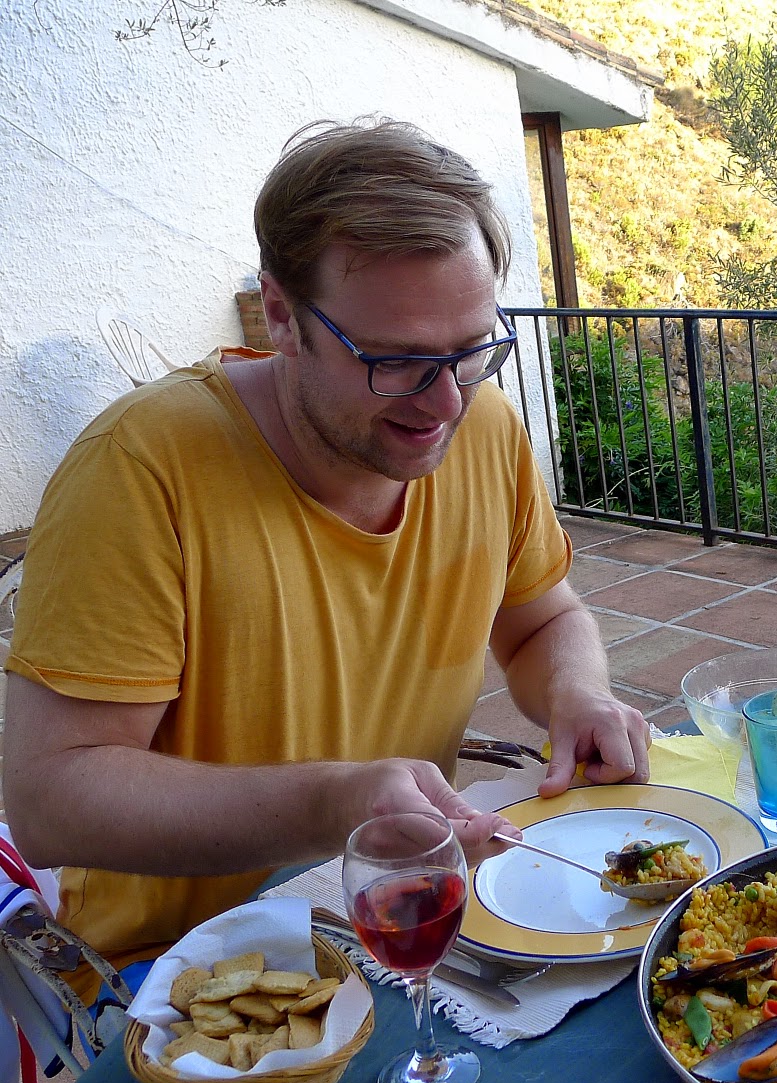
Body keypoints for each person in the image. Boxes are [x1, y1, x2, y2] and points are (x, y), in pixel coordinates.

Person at [2, 118, 651, 1002]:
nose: (444, 403)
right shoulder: (139, 468)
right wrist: (334, 806)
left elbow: (544, 617)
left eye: (471, 352)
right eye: (395, 361)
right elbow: (49, 799)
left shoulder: (484, 429)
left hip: (414, 924)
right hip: (188, 979)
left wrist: (577, 695)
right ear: (279, 315)